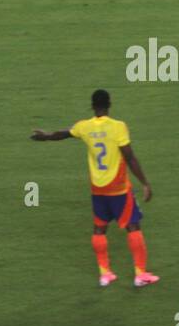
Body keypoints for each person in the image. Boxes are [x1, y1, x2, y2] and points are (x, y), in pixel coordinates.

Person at [30, 89, 156, 286]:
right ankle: (140, 275)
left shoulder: (84, 127)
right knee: (133, 226)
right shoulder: (118, 127)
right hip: (119, 188)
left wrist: (45, 136)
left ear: (92, 106)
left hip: (97, 189)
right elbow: (129, 157)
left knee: (99, 228)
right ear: (109, 104)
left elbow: (63, 134)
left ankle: (105, 274)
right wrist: (145, 183)